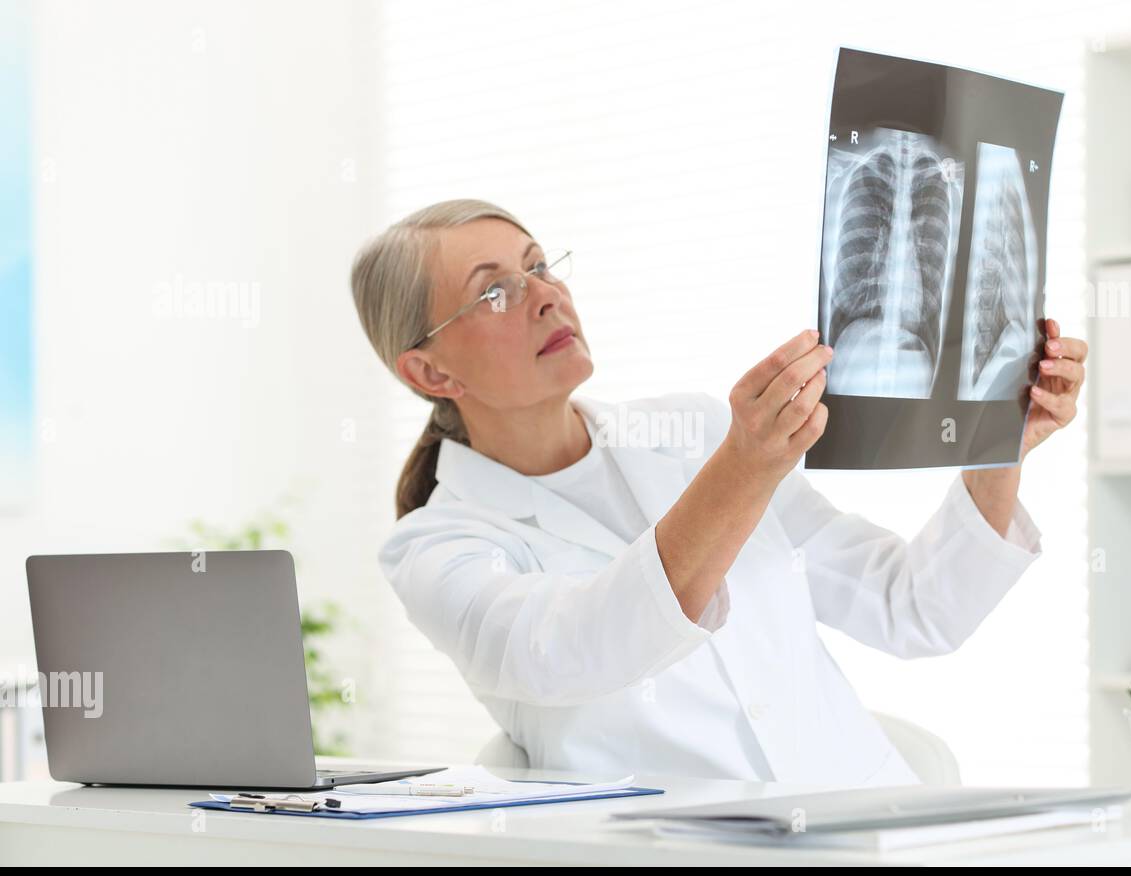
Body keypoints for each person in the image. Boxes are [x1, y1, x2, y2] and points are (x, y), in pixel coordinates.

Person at [350, 198, 1086, 787]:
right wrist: (743, 466)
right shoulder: (433, 548)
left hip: (864, 825)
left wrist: (999, 450)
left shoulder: (694, 431)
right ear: (431, 374)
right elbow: (577, 643)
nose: (545, 295)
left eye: (540, 265)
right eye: (497, 292)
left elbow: (913, 607)